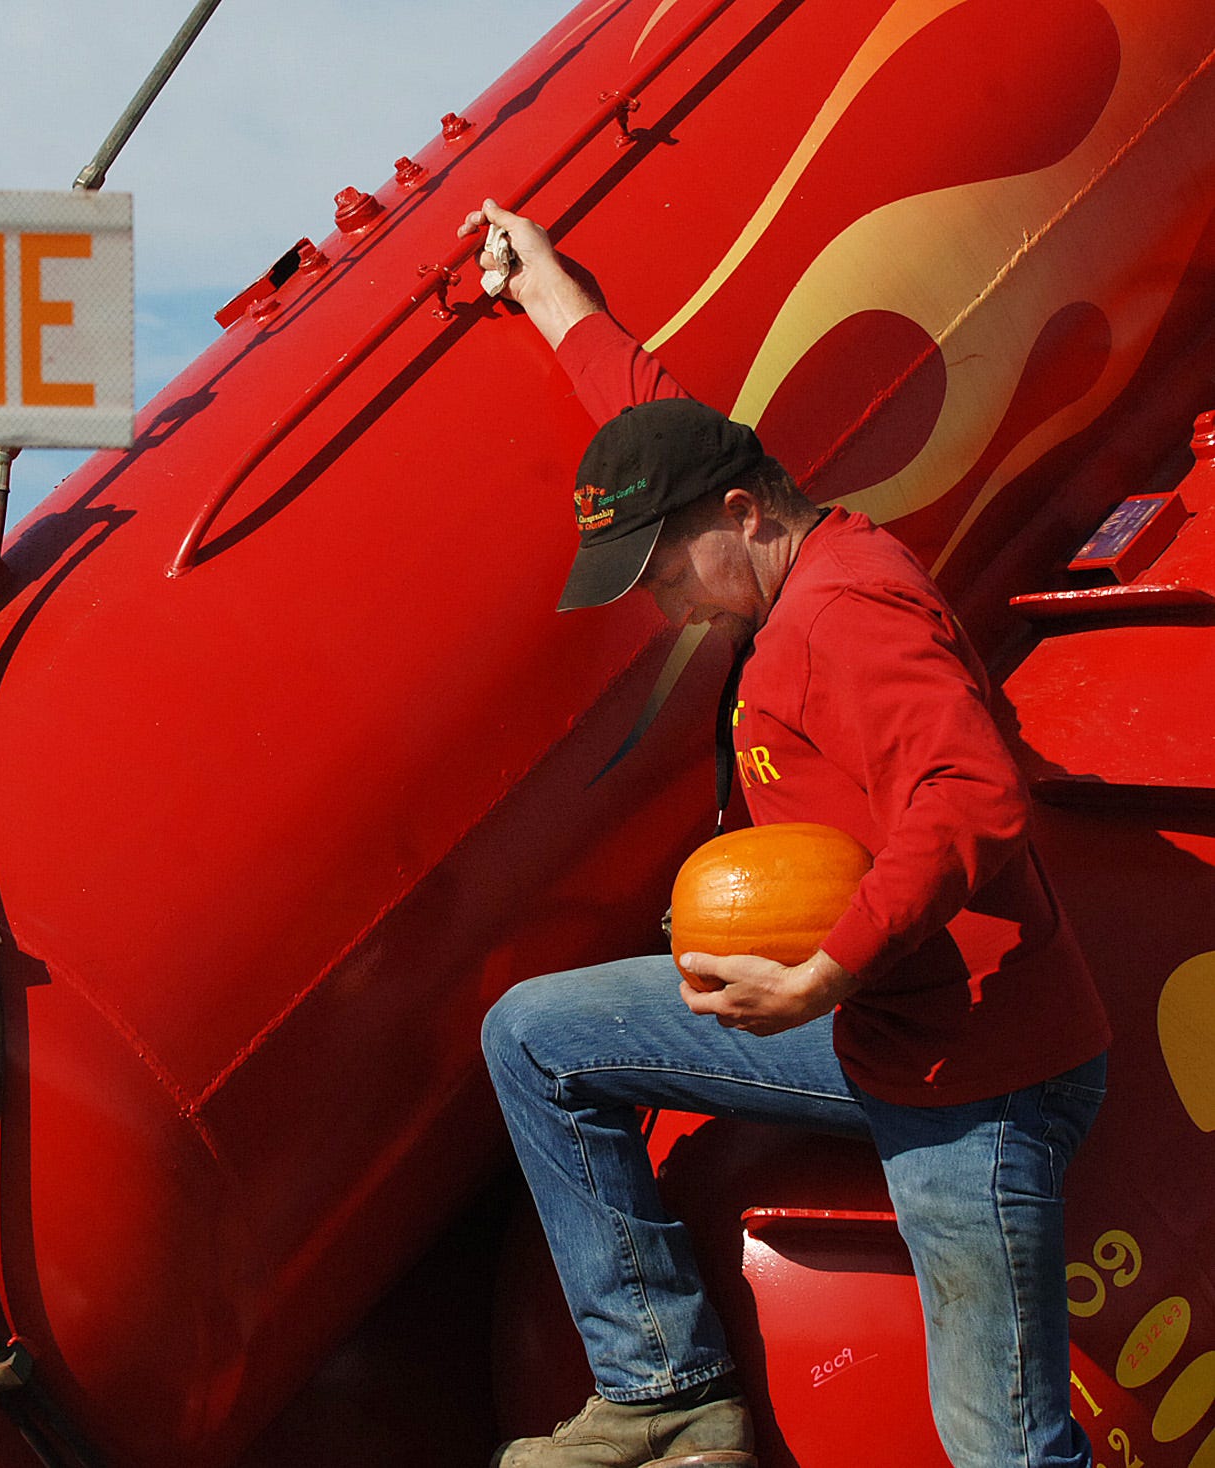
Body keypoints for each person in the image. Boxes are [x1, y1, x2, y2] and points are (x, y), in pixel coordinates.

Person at [459, 200, 1113, 1468]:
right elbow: (664, 417)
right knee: (537, 1037)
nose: (656, 598)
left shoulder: (851, 611)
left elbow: (975, 795)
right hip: (872, 1022)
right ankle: (664, 1385)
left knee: (1005, 1452)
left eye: (661, 566)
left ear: (746, 512)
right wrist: (554, 300)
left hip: (975, 1075)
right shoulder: (769, 540)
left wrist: (825, 970)